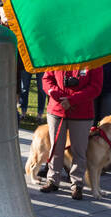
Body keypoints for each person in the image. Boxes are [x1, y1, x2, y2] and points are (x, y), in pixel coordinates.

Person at [39, 66, 103, 199]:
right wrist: (57, 95)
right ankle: (52, 179)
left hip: (82, 113)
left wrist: (72, 100)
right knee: (56, 148)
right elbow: (47, 79)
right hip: (57, 110)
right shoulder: (58, 56)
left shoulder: (93, 60)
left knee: (79, 150)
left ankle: (77, 184)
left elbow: (95, 87)